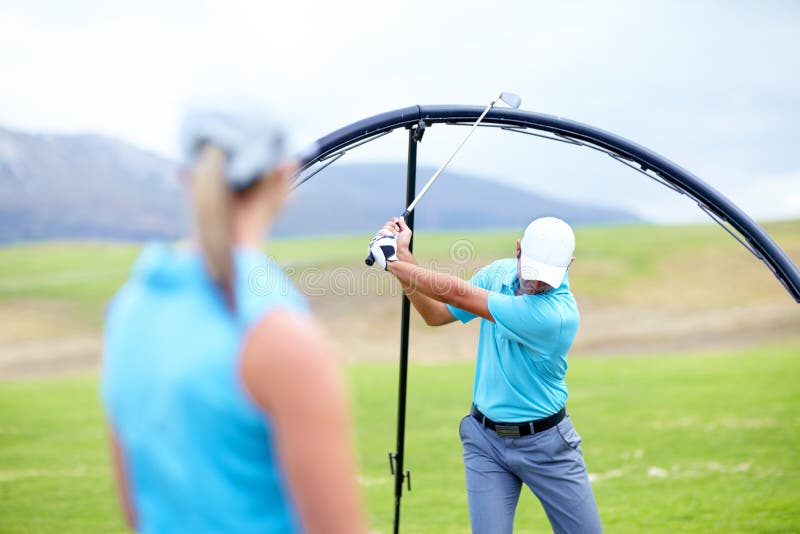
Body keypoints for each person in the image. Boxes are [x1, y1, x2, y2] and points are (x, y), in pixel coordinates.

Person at [101, 104, 367, 533]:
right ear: (283, 176)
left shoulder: (129, 308)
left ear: (185, 178)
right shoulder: (283, 337)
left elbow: (140, 512)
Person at [368, 216, 602, 534]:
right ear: (518, 251)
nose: (536, 285)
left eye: (545, 278)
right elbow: (436, 314)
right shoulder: (497, 274)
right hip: (485, 442)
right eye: (531, 273)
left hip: (548, 446)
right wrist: (403, 257)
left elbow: (457, 294)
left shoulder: (556, 316)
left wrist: (393, 262)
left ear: (568, 265)